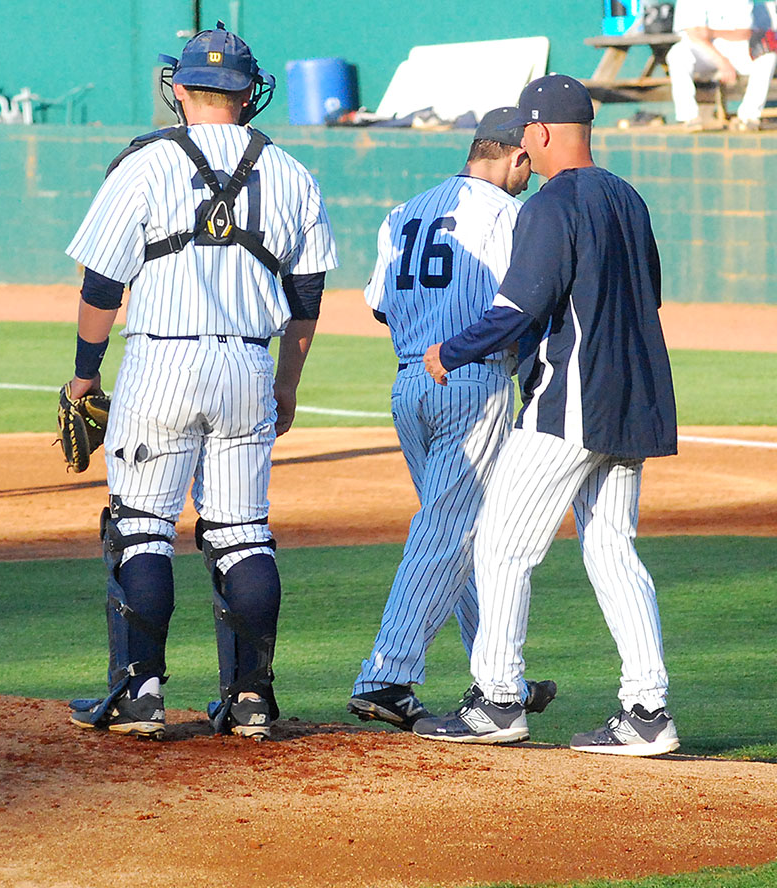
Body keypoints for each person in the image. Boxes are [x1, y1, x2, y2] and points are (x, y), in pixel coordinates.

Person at [65, 23, 338, 741]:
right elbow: (306, 298)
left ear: (180, 88)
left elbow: (102, 284)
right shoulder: (293, 173)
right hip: (248, 365)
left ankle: (140, 695)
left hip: (161, 363)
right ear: (250, 95)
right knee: (243, 532)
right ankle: (251, 700)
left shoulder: (145, 164)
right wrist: (287, 384)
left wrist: (84, 374)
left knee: (140, 525)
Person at [420, 74, 680, 756]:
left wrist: (452, 349)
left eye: (527, 135)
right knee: (612, 549)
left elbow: (518, 309)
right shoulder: (628, 198)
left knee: (501, 544)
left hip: (571, 403)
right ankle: (647, 709)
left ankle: (498, 699)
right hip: (634, 401)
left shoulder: (550, 204)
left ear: (538, 132)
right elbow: (648, 294)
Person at [346, 109, 555, 734]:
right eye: (528, 167)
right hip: (473, 380)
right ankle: (386, 676)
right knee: (450, 528)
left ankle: (500, 680)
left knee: (466, 530)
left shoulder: (403, 213)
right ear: (517, 156)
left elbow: (379, 305)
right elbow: (525, 306)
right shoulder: (510, 215)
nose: (530, 178)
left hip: (410, 381)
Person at [666, 0, 777, 131]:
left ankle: (748, 117)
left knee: (767, 57)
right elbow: (694, 35)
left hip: (733, 46)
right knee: (677, 54)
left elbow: (745, 32)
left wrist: (712, 32)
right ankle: (689, 117)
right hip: (700, 49)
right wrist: (722, 62)